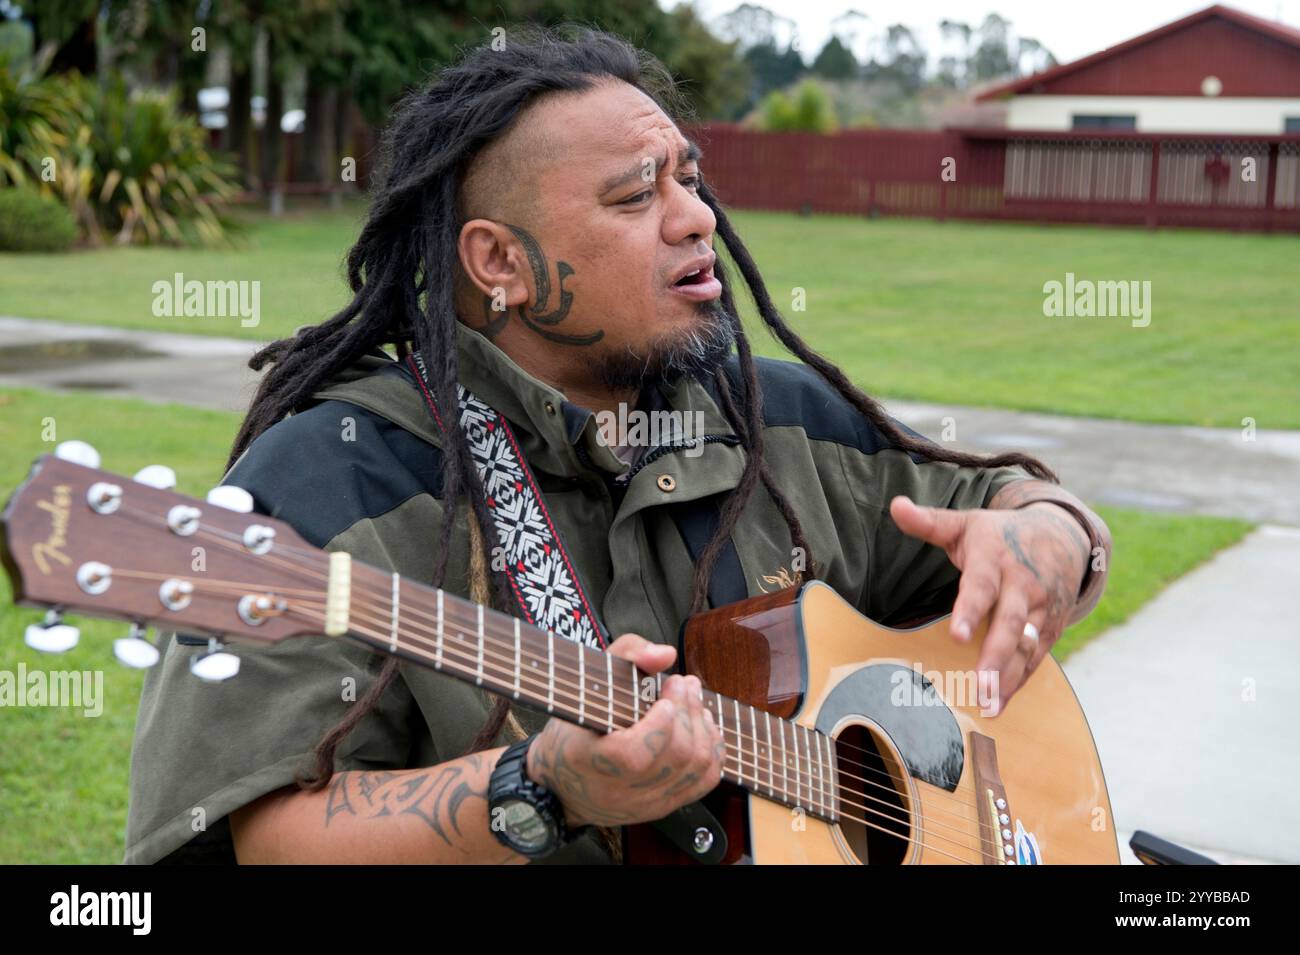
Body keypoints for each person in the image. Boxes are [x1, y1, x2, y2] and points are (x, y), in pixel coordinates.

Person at [123, 25, 1111, 865]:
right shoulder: (332, 483)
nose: (696, 219)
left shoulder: (782, 419)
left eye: (689, 179)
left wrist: (1053, 535)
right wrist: (536, 785)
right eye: (636, 197)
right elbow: (249, 834)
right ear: (500, 262)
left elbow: (1008, 506)